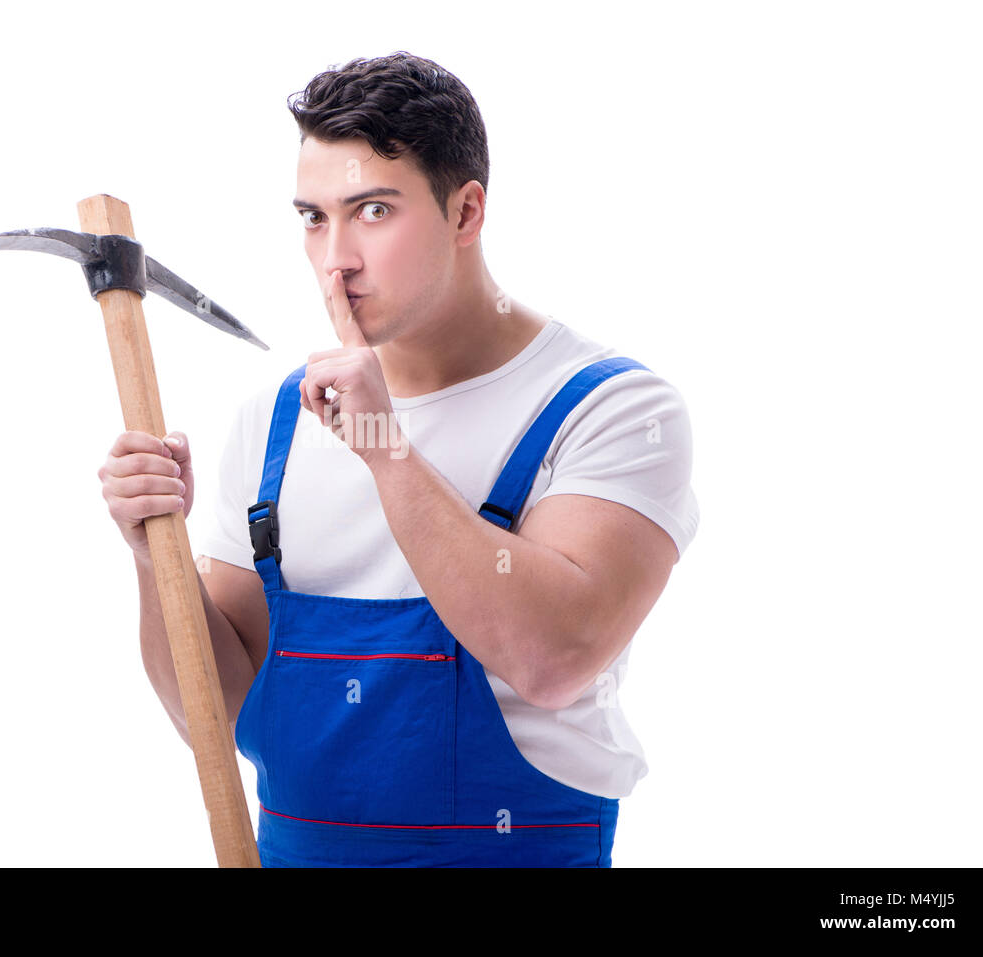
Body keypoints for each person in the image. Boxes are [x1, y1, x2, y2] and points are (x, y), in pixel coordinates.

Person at [98, 51, 699, 867]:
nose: (334, 256)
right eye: (313, 216)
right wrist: (151, 556)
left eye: (372, 210)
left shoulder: (608, 410)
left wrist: (387, 452)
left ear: (466, 211)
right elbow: (219, 705)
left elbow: (551, 659)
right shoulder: (273, 424)